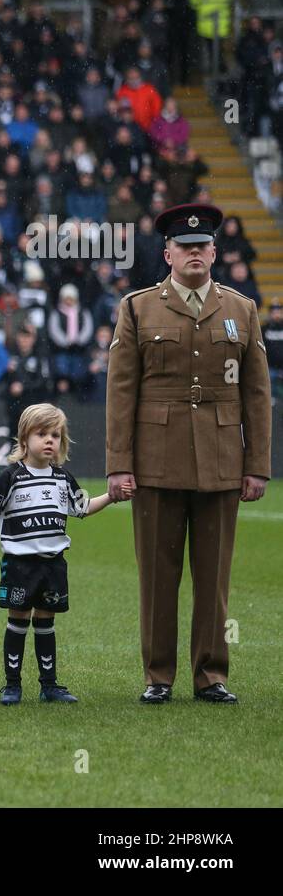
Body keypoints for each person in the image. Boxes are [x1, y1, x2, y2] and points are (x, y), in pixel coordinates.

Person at [106, 202, 271, 704]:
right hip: (155, 459)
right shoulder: (137, 307)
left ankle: (211, 675)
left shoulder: (242, 309)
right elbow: (121, 391)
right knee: (157, 575)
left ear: (215, 252)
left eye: (202, 246)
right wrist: (118, 464)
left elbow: (257, 395)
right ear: (168, 254)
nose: (194, 253)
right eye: (185, 247)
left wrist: (257, 465)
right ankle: (159, 675)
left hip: (222, 460)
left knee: (214, 576)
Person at [0, 404, 127, 706]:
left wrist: (111, 497)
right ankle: (12, 685)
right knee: (18, 618)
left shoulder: (63, 478)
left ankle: (49, 685)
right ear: (24, 439)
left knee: (46, 620)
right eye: (41, 434)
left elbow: (82, 507)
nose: (49, 440)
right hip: (20, 565)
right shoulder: (11, 477)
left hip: (53, 566)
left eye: (55, 435)